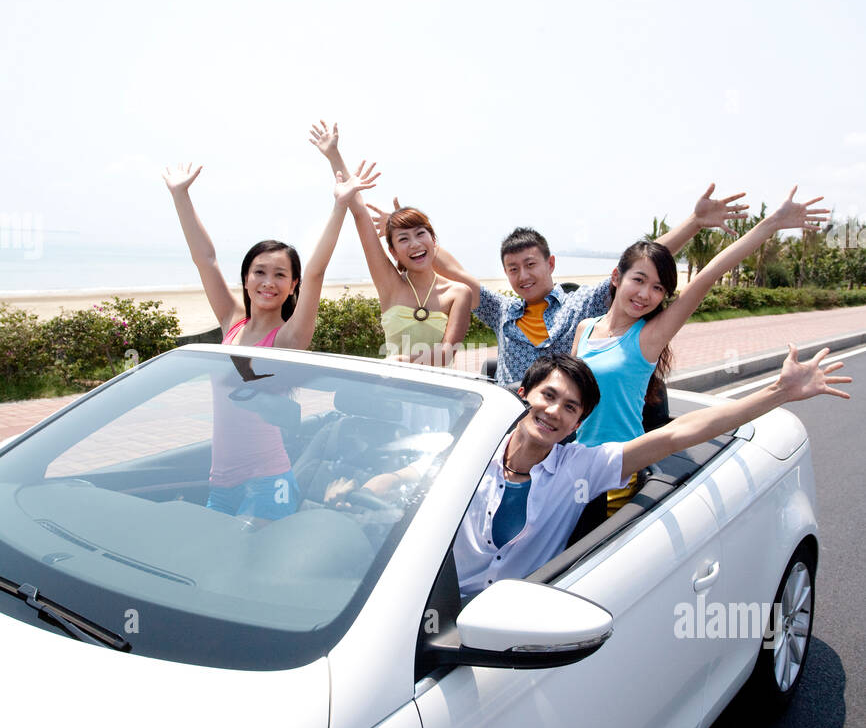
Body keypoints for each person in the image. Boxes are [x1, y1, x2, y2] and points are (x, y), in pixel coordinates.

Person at [332, 348, 850, 595]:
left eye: (571, 408)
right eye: (548, 396)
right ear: (524, 396)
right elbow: (406, 477)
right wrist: (375, 485)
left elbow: (677, 435)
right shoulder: (469, 451)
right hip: (430, 611)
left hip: (512, 625)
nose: (555, 412)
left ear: (579, 422)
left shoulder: (584, 467)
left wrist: (778, 393)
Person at [571, 187, 830, 512]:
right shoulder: (585, 329)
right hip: (571, 465)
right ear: (616, 277)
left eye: (658, 288)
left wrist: (773, 223)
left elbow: (708, 275)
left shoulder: (648, 337)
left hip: (615, 475)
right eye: (638, 279)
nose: (645, 294)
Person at [162, 158, 378, 518]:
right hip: (221, 481)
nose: (268, 282)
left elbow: (317, 272)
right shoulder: (232, 323)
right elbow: (207, 259)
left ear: (293, 285)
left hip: (268, 482)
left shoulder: (288, 338)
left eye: (280, 274)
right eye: (259, 272)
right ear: (246, 279)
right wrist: (180, 196)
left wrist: (340, 205)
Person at [369, 186, 749, 386]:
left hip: (562, 426)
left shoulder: (581, 305)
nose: (523, 276)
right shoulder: (501, 310)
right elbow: (455, 270)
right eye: (513, 269)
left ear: (551, 264)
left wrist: (695, 222)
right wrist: (403, 232)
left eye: (531, 265)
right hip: (504, 426)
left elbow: (639, 265)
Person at [309, 121, 472, 365]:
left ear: (433, 239)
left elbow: (447, 353)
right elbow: (360, 213)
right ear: (393, 252)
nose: (415, 244)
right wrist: (334, 155)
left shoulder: (459, 293)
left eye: (420, 234)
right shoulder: (389, 285)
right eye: (403, 239)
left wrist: (402, 362)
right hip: (393, 396)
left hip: (442, 398)